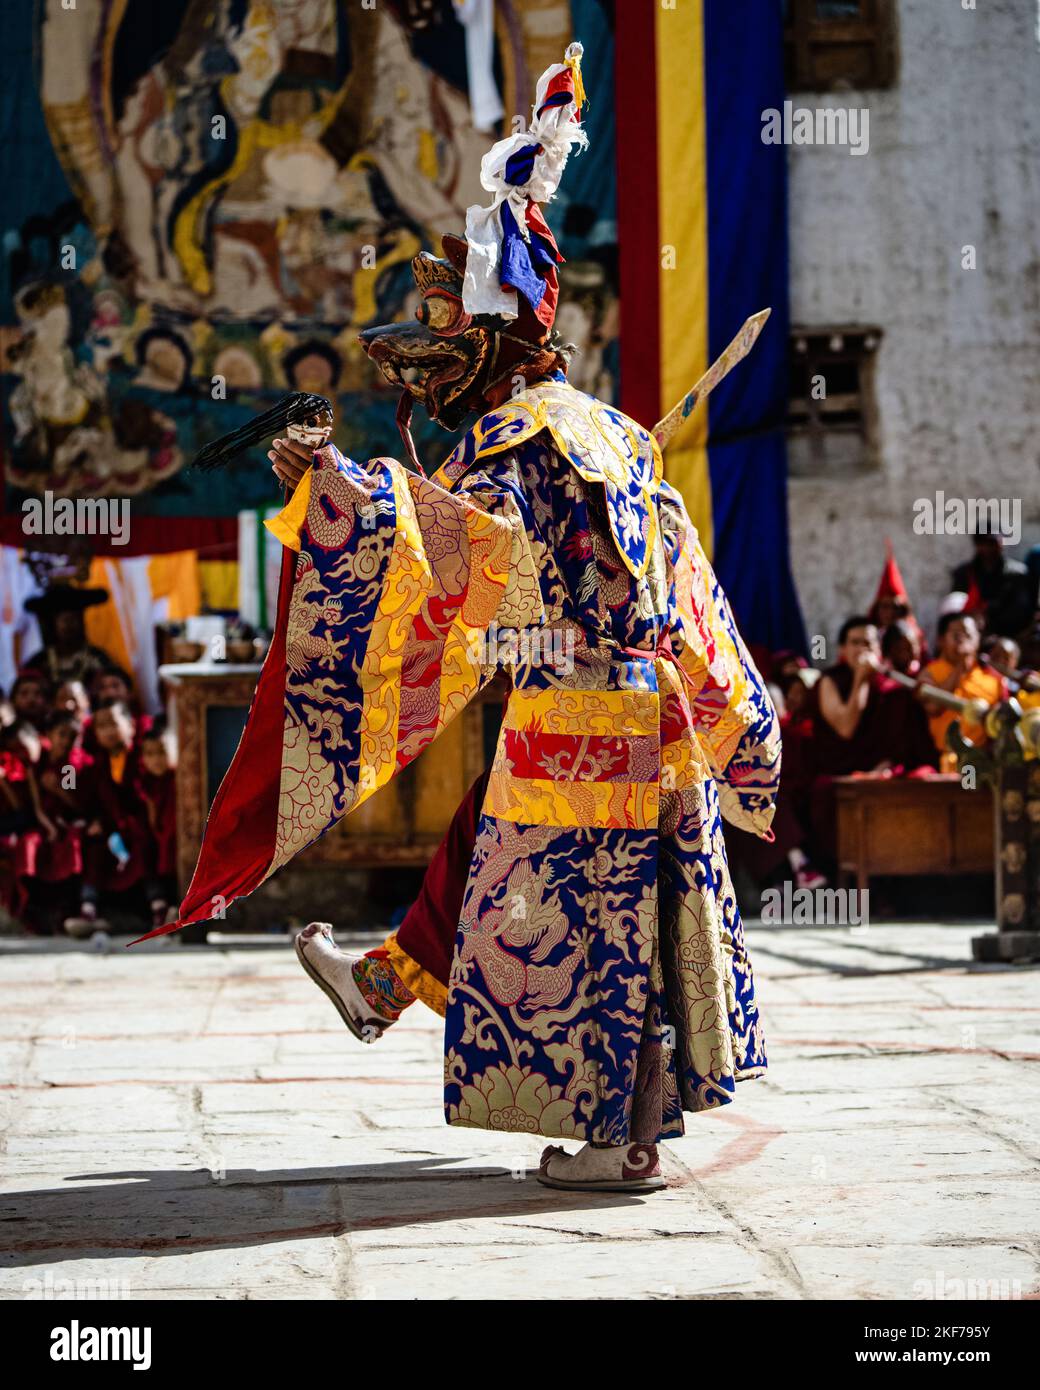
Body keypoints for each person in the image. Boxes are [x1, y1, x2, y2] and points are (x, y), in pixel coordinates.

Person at [143, 45, 781, 1194]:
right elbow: (681, 570)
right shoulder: (606, 432)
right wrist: (734, 710)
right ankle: (443, 1019)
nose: (426, 367)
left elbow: (456, 551)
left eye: (443, 340)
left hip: (578, 717)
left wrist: (330, 486)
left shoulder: (518, 440)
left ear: (489, 344)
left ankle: (613, 1136)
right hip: (650, 707)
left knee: (578, 923)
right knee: (595, 898)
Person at [919, 613, 1006, 772]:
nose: (963, 640)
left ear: (978, 640)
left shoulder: (994, 679)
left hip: (977, 762)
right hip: (941, 760)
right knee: (949, 796)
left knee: (968, 793)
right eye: (956, 635)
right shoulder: (929, 673)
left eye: (968, 635)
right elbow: (933, 708)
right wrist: (960, 665)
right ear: (942, 640)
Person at [23, 586, 111, 688]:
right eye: (63, 620)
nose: (68, 625)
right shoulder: (38, 663)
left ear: (81, 622)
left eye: (73, 618)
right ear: (53, 625)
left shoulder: (98, 659)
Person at [952, 534, 1035, 639]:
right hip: (972, 635)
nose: (987, 548)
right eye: (982, 542)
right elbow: (955, 608)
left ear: (1001, 543)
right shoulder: (965, 573)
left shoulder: (1018, 574)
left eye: (991, 543)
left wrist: (991, 621)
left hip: (1011, 637)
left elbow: (1021, 612)